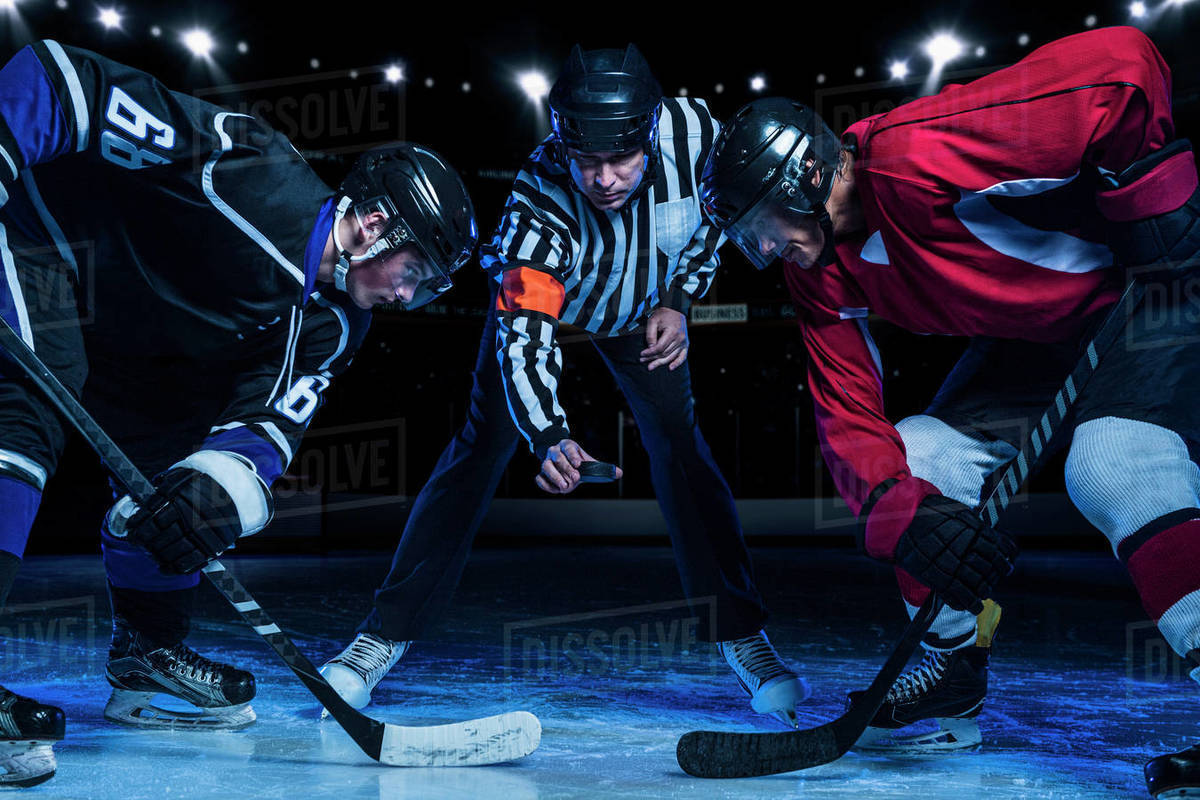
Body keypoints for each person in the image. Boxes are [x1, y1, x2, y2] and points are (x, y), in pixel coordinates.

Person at [699, 25, 1199, 794]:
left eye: (760, 229)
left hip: (1155, 291)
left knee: (1113, 465)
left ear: (805, 179)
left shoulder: (912, 156)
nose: (764, 253)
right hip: (1043, 335)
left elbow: (1121, 68)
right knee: (916, 466)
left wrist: (1153, 200)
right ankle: (952, 671)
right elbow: (846, 410)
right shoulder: (819, 271)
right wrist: (903, 514)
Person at [0, 40, 476, 786]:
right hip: (45, 242)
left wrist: (219, 486)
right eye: (413, 270)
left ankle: (145, 656)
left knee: (177, 494)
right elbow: (63, 79)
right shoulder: (255, 174)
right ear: (375, 222)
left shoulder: (338, 322)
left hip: (139, 345)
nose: (407, 295)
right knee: (25, 413)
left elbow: (271, 422)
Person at [319, 43, 810, 728]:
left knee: (681, 449)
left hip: (642, 312)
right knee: (477, 451)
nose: (604, 180)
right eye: (586, 160)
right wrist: (547, 431)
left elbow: (715, 221)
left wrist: (679, 299)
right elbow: (526, 330)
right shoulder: (537, 202)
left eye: (621, 159)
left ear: (651, 132)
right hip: (555, 305)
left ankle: (741, 632)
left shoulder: (699, 136)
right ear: (561, 143)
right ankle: (383, 636)